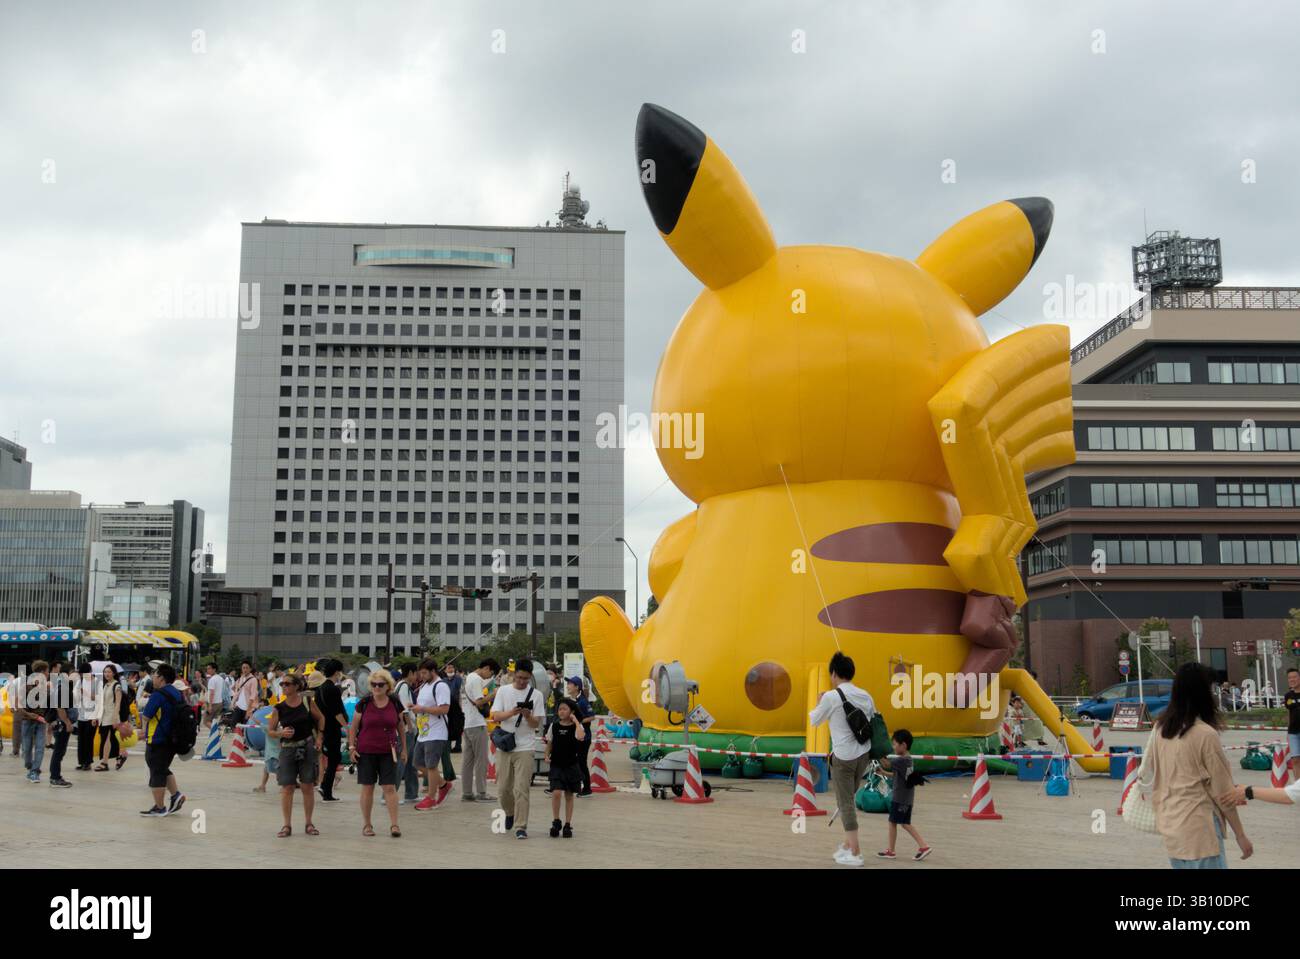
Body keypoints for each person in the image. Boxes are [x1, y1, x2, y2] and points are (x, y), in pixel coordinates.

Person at [1149, 662, 1252, 868]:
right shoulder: (1205, 734)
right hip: (1200, 830)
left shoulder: (1161, 729)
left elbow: (1156, 773)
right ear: (1202, 693)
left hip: (1171, 828)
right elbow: (1223, 792)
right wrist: (1240, 835)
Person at [808, 651, 876, 867]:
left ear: (834, 673)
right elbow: (873, 717)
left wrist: (820, 701)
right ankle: (847, 846)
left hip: (844, 757)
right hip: (863, 754)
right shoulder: (865, 695)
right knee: (849, 801)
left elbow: (814, 720)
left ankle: (856, 852)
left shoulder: (831, 696)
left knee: (845, 803)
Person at [489, 658, 546, 839]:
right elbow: (496, 715)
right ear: (514, 674)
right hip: (505, 745)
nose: (522, 682)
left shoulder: (536, 695)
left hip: (525, 747)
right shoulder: (504, 691)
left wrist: (527, 715)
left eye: (526, 679)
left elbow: (536, 723)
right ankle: (509, 812)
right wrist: (512, 712)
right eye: (520, 677)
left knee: (522, 788)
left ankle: (521, 826)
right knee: (504, 788)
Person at [348, 668, 406, 837]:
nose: (376, 687)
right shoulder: (364, 703)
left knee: (389, 787)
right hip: (366, 751)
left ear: (388, 686)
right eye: (373, 684)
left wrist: (404, 749)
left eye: (380, 684)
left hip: (389, 751)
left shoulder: (394, 702)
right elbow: (353, 727)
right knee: (367, 787)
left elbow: (401, 726)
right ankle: (367, 825)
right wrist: (352, 747)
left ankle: (394, 825)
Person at [266, 672, 324, 836]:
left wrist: (320, 737)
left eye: (287, 684)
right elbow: (270, 730)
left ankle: (309, 823)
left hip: (306, 746)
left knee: (307, 786)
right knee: (287, 787)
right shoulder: (279, 707)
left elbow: (321, 718)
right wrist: (280, 733)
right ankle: (286, 825)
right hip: (287, 749)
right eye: (282, 684)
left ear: (297, 686)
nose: (284, 686)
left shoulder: (306, 701)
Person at [138, 663, 186, 817]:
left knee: (156, 771)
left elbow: (146, 715)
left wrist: (142, 732)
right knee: (163, 768)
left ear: (162, 678)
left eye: (155, 674)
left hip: (158, 738)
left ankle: (160, 807)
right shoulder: (177, 693)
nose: (153, 677)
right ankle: (175, 795)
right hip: (173, 739)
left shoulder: (158, 694)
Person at [876, 730, 931, 861]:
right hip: (906, 797)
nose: (893, 747)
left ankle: (923, 846)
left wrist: (876, 752)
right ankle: (891, 850)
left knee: (903, 823)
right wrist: (883, 772)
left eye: (895, 744)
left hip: (900, 797)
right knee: (895, 822)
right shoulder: (908, 759)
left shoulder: (901, 760)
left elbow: (887, 763)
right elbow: (896, 775)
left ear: (903, 745)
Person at [411, 658, 453, 809]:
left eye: (424, 672)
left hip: (436, 732)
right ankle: (443, 785)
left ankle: (431, 797)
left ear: (433, 671)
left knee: (431, 765)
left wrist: (422, 709)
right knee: (417, 762)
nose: (421, 675)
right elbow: (424, 705)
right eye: (420, 673)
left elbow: (444, 709)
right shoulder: (424, 685)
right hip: (424, 732)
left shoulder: (441, 686)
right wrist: (415, 707)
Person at [544, 698, 586, 837]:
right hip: (556, 764)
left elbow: (581, 737)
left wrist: (576, 721)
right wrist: (546, 755)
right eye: (560, 709)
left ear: (571, 712)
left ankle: (568, 824)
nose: (561, 711)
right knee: (556, 792)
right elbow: (550, 742)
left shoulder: (576, 727)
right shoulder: (554, 726)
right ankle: (556, 821)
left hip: (571, 765)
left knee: (569, 795)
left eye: (564, 709)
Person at [459, 658, 498, 803]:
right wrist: (493, 694)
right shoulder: (475, 679)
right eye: (491, 673)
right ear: (486, 668)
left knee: (467, 761)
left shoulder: (467, 678)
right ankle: (482, 792)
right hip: (477, 724)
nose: (490, 676)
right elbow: (479, 701)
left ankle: (467, 792)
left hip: (468, 724)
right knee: (481, 760)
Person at [314, 659, 349, 802]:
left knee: (333, 757)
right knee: (335, 758)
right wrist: (347, 728)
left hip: (324, 728)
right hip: (332, 728)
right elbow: (337, 712)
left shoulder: (320, 688)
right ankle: (325, 788)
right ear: (337, 672)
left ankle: (325, 787)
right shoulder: (332, 689)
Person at [18, 660, 50, 783]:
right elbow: (18, 705)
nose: (48, 674)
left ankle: (35, 772)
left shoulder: (47, 687)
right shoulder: (25, 686)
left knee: (40, 747)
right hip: (27, 720)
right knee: (26, 748)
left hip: (41, 722)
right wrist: (31, 715)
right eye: (47, 671)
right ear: (42, 672)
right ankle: (30, 766)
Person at [393, 663, 420, 804]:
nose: (417, 677)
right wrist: (410, 727)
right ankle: (389, 795)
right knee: (402, 761)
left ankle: (411, 793)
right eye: (416, 673)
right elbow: (404, 710)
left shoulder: (401, 686)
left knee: (411, 763)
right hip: (406, 731)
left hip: (408, 730)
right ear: (410, 673)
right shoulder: (403, 687)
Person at [93, 664, 128, 771]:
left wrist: (115, 718)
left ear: (113, 673)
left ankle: (104, 762)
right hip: (104, 716)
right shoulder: (105, 685)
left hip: (112, 716)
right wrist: (95, 717)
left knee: (107, 739)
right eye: (105, 672)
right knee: (111, 739)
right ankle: (121, 756)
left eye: (109, 672)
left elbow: (118, 704)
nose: (106, 674)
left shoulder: (116, 686)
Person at [564, 676, 595, 797]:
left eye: (570, 684)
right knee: (573, 761)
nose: (567, 686)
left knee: (581, 762)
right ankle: (572, 785)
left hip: (584, 738)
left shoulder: (583, 701)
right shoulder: (572, 700)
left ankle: (587, 789)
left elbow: (592, 717)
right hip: (575, 737)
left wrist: (578, 721)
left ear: (577, 687)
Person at [46, 664, 75, 788]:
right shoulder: (63, 687)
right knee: (59, 751)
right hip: (62, 723)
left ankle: (56, 775)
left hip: (58, 723)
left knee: (60, 751)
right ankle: (55, 778)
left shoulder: (61, 685)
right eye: (74, 672)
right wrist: (67, 722)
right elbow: (60, 708)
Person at [74, 663, 97, 772]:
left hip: (91, 716)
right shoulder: (80, 682)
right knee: (81, 740)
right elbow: (75, 696)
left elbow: (97, 699)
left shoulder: (96, 682)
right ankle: (82, 761)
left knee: (89, 740)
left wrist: (85, 692)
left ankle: (88, 762)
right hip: (81, 715)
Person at [230, 660, 259, 728]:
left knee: (246, 729)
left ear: (250, 669)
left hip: (248, 708)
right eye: (243, 668)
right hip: (239, 706)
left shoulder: (253, 680)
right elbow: (236, 691)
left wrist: (248, 710)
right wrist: (233, 703)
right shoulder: (241, 678)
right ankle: (238, 738)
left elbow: (252, 696)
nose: (245, 669)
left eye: (247, 668)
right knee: (233, 725)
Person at [1283, 668, 1300, 779]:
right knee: (1295, 760)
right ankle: (1298, 787)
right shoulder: (1288, 696)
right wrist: (1288, 732)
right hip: (1293, 733)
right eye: (1290, 678)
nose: (1292, 679)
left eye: (1294, 677)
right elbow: (1289, 713)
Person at [444, 664, 464, 753]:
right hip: (446, 706)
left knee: (458, 726)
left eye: (452, 667)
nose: (451, 669)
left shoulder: (458, 679)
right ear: (445, 670)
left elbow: (461, 691)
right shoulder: (443, 681)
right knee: (447, 727)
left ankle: (458, 746)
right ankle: (447, 746)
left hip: (457, 707)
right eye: (448, 668)